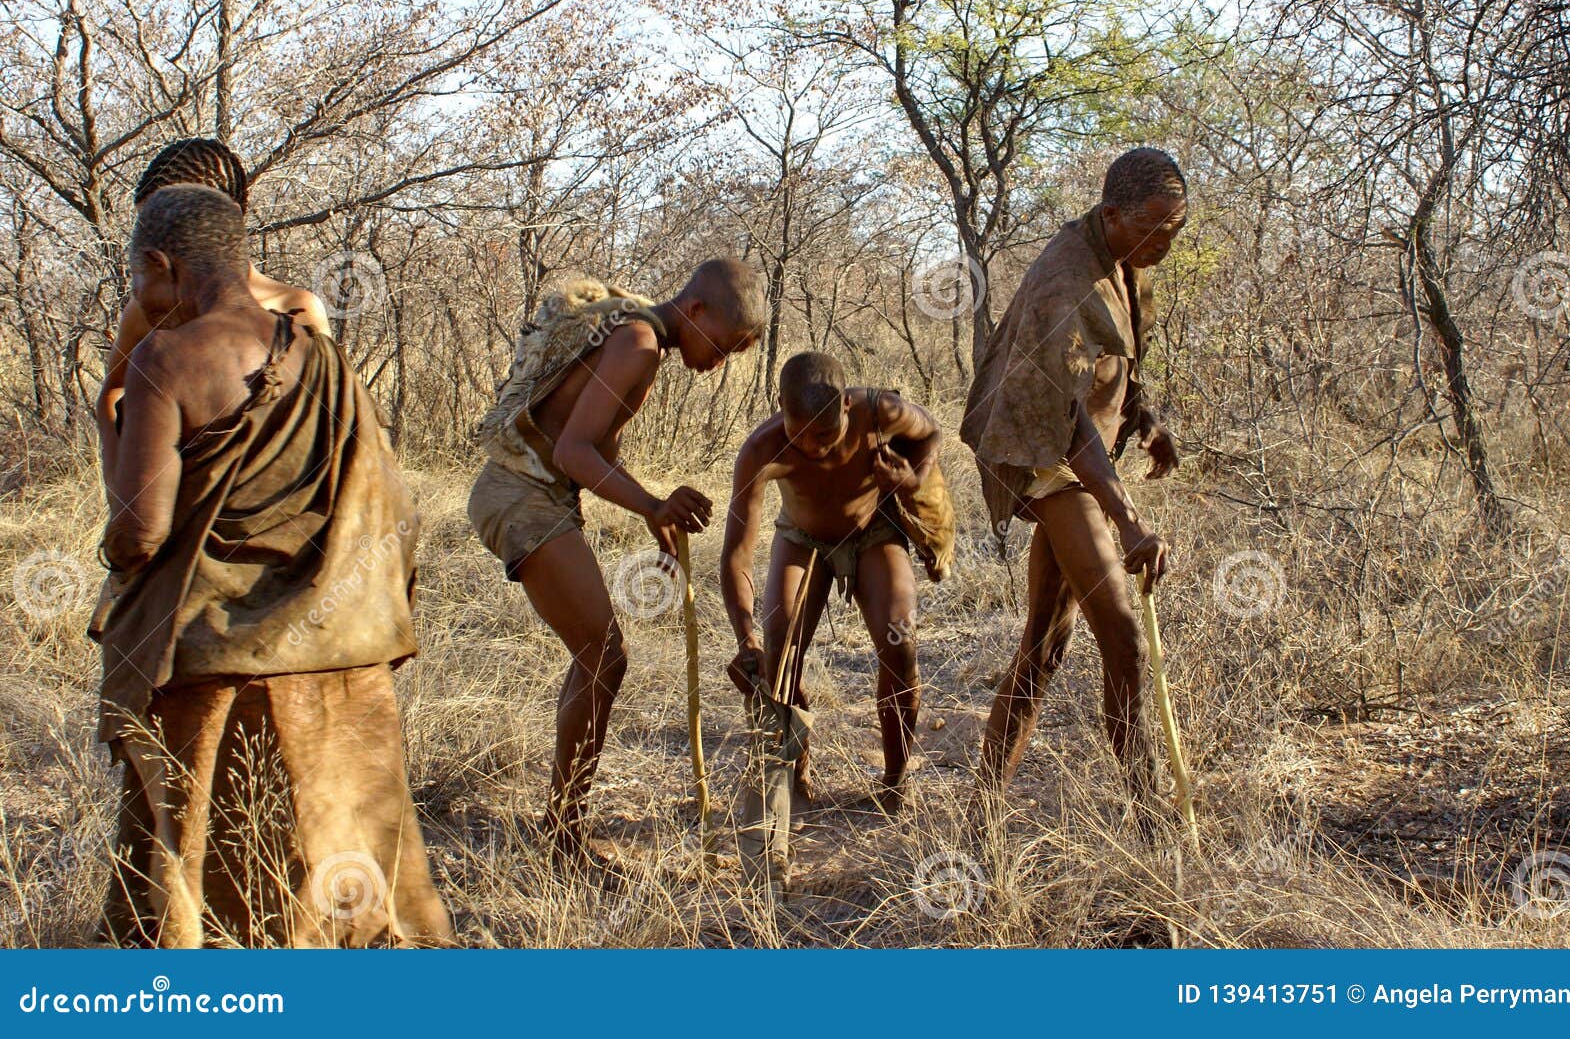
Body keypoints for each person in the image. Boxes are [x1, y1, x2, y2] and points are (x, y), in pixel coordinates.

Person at [92, 184, 450, 947]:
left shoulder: (165, 357)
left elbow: (140, 531)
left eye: (136, 278)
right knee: (341, 883)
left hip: (215, 669)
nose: (138, 296)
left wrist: (108, 428)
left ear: (162, 265)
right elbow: (392, 506)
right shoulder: (324, 356)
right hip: (340, 655)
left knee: (207, 898)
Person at [466, 259, 766, 870]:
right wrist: (653, 502)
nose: (720, 362)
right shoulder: (639, 341)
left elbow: (595, 445)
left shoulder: (640, 335)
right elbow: (574, 452)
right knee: (604, 656)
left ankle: (563, 825)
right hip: (520, 495)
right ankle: (565, 837)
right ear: (698, 310)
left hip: (536, 494)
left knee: (598, 656)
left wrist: (649, 512)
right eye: (724, 345)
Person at [962, 147, 1185, 828]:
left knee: (1043, 644)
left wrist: (1144, 419)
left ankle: (980, 818)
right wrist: (1126, 519)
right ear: (1112, 214)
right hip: (1051, 457)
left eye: (1175, 231)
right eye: (1154, 231)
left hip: (1076, 450)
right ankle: (1147, 812)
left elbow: (1115, 359)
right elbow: (1065, 423)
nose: (1164, 245)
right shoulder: (1068, 283)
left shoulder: (1124, 256)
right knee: (1122, 635)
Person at [721, 351, 943, 813]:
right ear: (779, 406)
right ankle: (792, 781)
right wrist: (747, 640)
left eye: (823, 434)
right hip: (803, 539)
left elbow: (932, 434)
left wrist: (910, 479)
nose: (812, 447)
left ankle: (896, 779)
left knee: (900, 641)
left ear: (846, 405)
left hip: (874, 530)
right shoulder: (762, 451)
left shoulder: (880, 412)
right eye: (797, 433)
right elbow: (737, 556)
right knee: (779, 654)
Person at [97, 138, 330, 489]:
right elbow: (113, 395)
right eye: (149, 223)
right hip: (175, 520)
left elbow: (324, 421)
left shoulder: (295, 309)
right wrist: (122, 491)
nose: (158, 238)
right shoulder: (147, 309)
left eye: (175, 220)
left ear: (229, 217)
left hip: (279, 517)